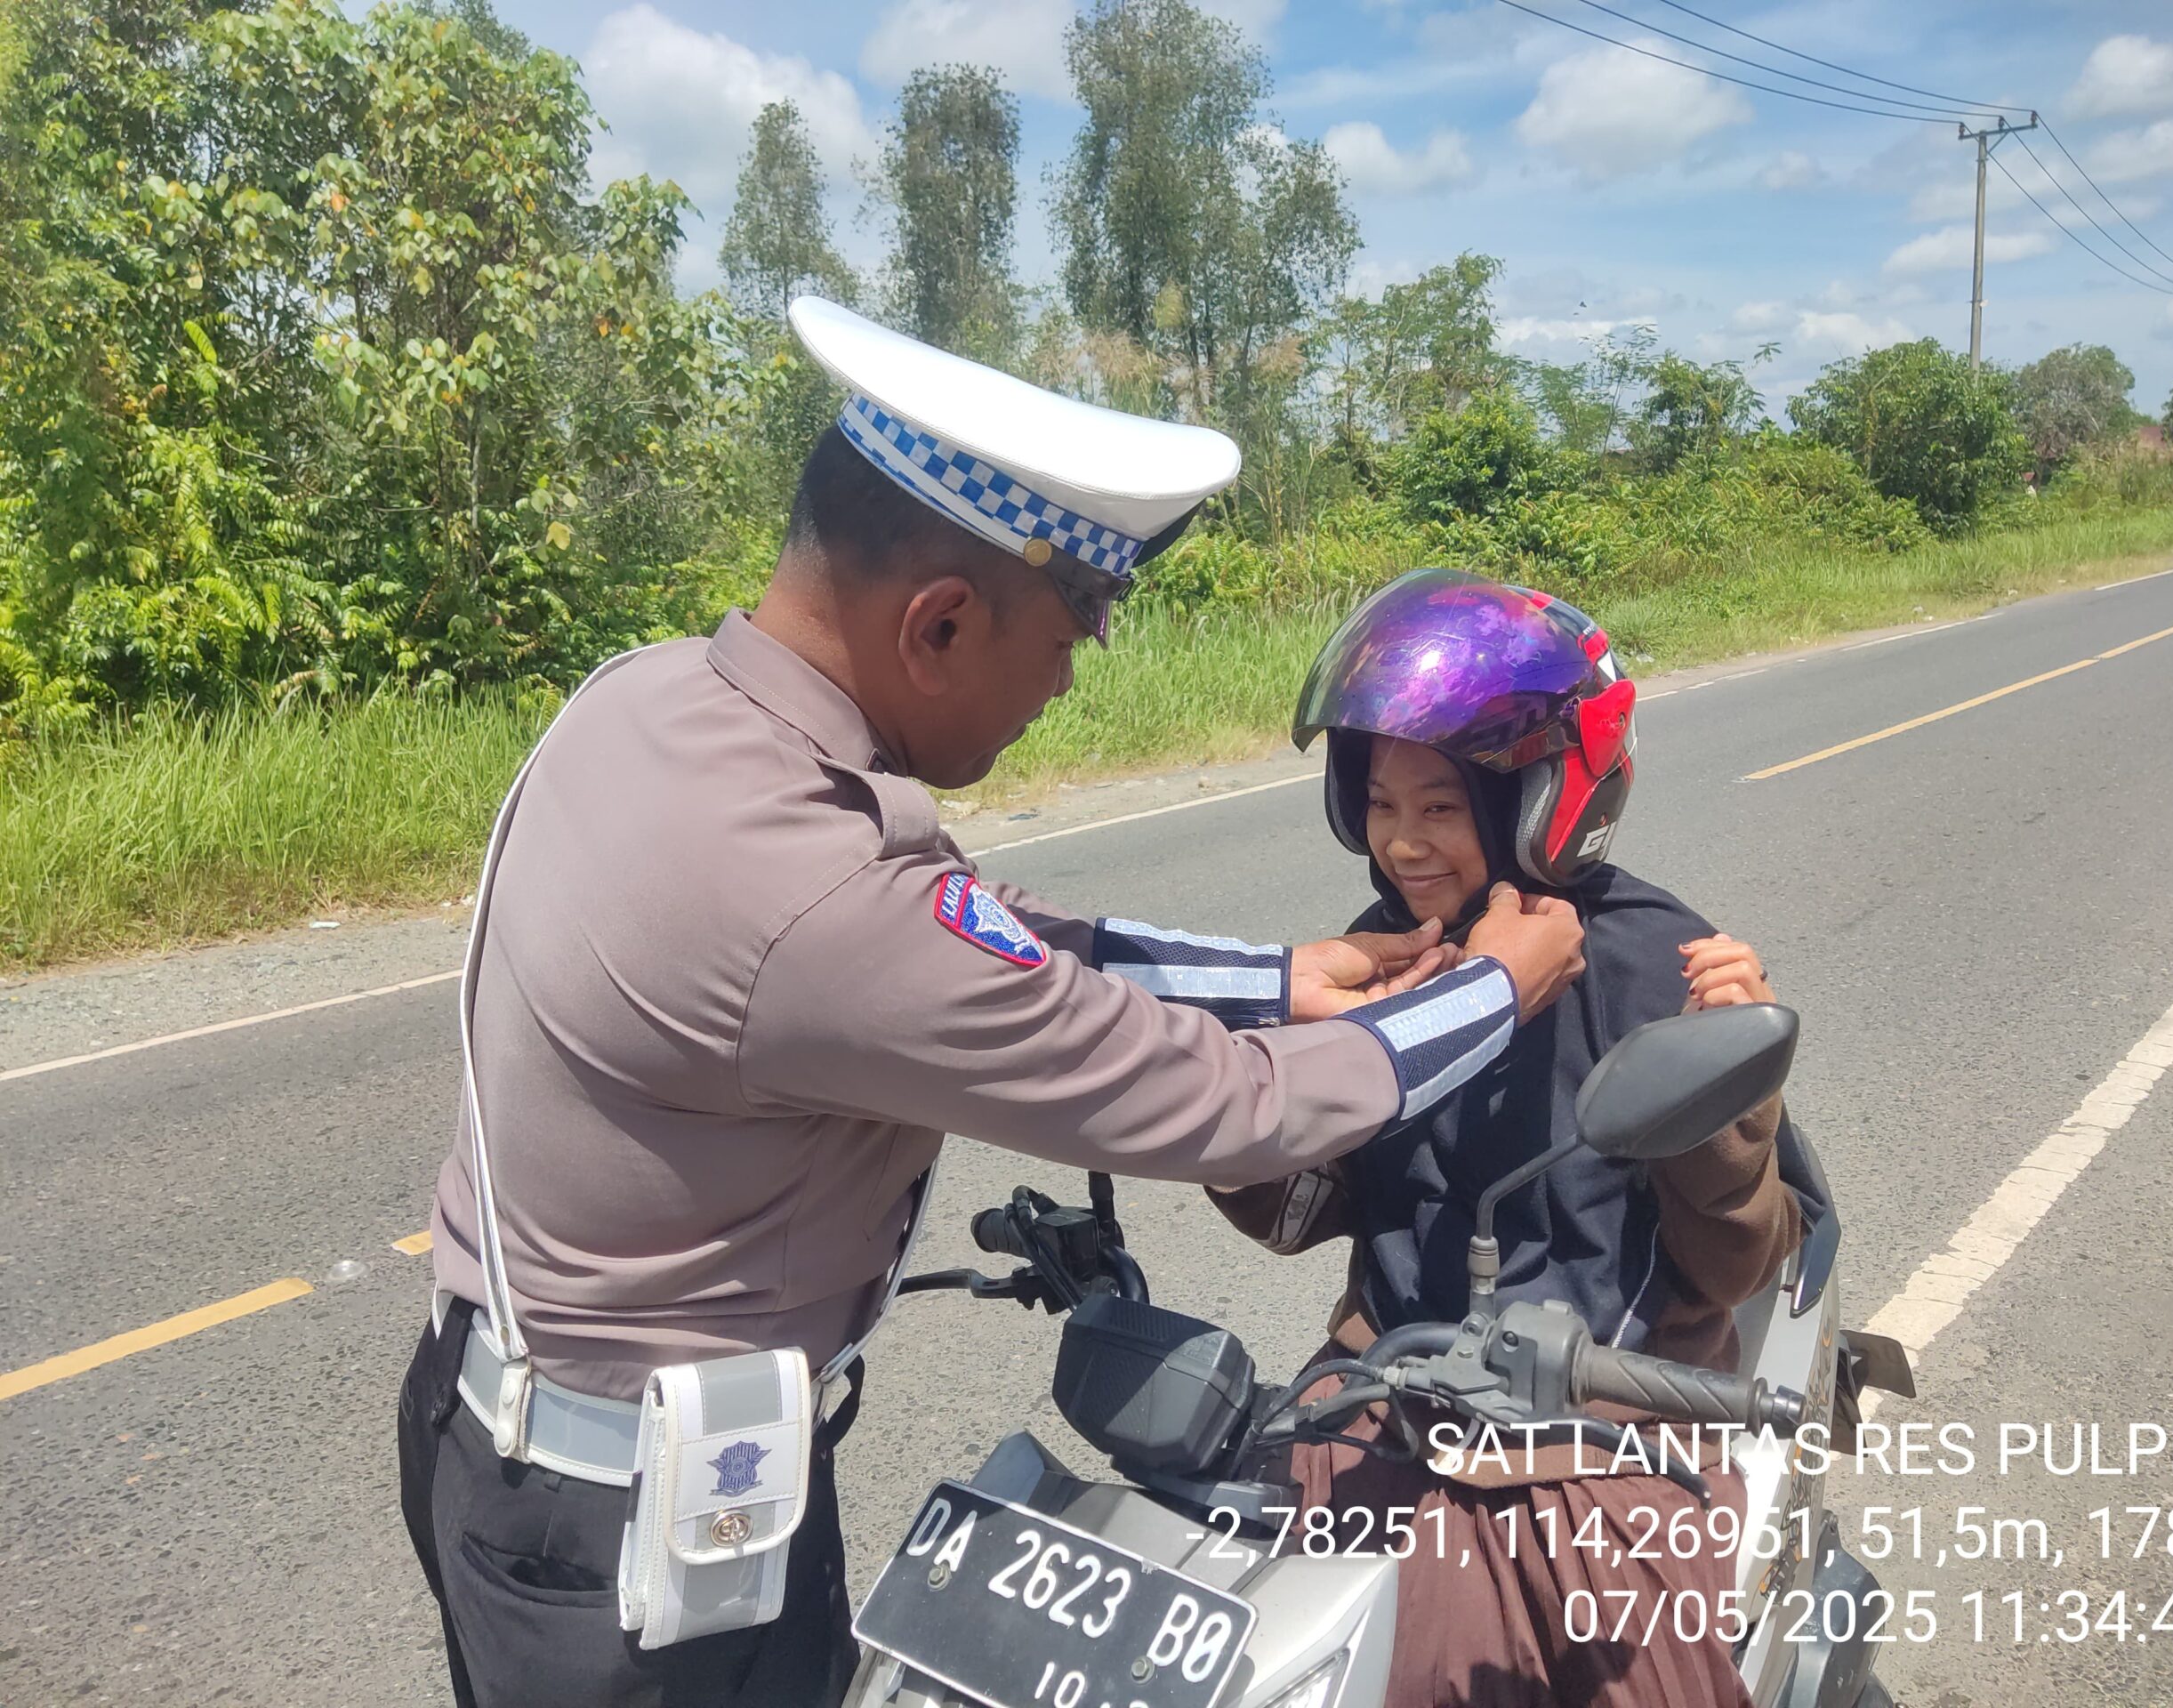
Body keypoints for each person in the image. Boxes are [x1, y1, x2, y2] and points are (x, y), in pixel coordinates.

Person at [397, 305, 1590, 1708]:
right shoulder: (817, 894)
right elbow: (1228, 1104)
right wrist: (1491, 993)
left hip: (512, 1436)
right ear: (943, 621)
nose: (1076, 676)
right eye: (1078, 627)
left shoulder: (655, 705)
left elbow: (984, 942)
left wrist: (1281, 975)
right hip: (640, 1549)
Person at [1211, 569, 1807, 1708]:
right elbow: (1309, 1215)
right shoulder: (1387, 954)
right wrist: (1258, 1097)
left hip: (1602, 1420)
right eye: (1380, 805)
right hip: (1386, 1386)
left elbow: (1735, 1265)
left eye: (1438, 807)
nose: (1402, 844)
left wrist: (1724, 1113)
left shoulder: (1652, 962)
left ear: (1541, 799)